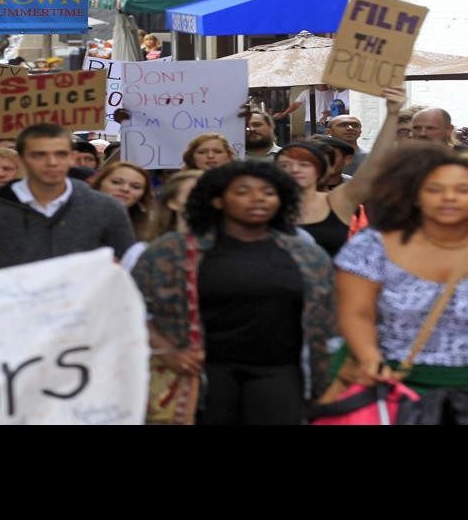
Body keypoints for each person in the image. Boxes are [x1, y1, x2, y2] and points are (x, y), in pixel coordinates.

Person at [130, 161, 338, 425]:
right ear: (217, 200)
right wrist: (165, 349)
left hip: (280, 372)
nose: (258, 199)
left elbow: (329, 319)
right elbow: (126, 306)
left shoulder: (306, 253)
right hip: (202, 371)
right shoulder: (174, 251)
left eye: (268, 192)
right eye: (243, 191)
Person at [332, 143, 468, 414]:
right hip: (392, 381)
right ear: (415, 196)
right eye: (434, 189)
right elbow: (355, 312)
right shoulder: (371, 246)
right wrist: (368, 357)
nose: (449, 198)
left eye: (463, 190)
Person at [0, 123, 134, 271]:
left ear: (71, 157)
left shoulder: (106, 208)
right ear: (20, 159)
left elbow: (127, 268)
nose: (52, 163)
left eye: (60, 154)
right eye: (39, 155)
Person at [278, 87, 403, 257]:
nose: (295, 169)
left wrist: (392, 114)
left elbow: (375, 164)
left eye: (304, 164)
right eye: (286, 165)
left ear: (321, 167)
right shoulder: (270, 202)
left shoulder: (338, 200)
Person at [90, 161, 155, 241]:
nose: (125, 189)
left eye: (135, 186)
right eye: (116, 182)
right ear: (99, 184)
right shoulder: (75, 214)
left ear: (143, 194)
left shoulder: (152, 229)